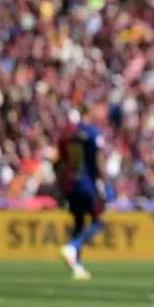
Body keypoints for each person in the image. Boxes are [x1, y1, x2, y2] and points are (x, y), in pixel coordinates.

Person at [55, 107, 110, 281]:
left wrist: (61, 186)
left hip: (70, 184)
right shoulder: (92, 132)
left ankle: (77, 267)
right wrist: (103, 183)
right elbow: (98, 159)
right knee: (97, 222)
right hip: (88, 183)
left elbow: (59, 162)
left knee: (78, 224)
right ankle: (73, 246)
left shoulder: (66, 136)